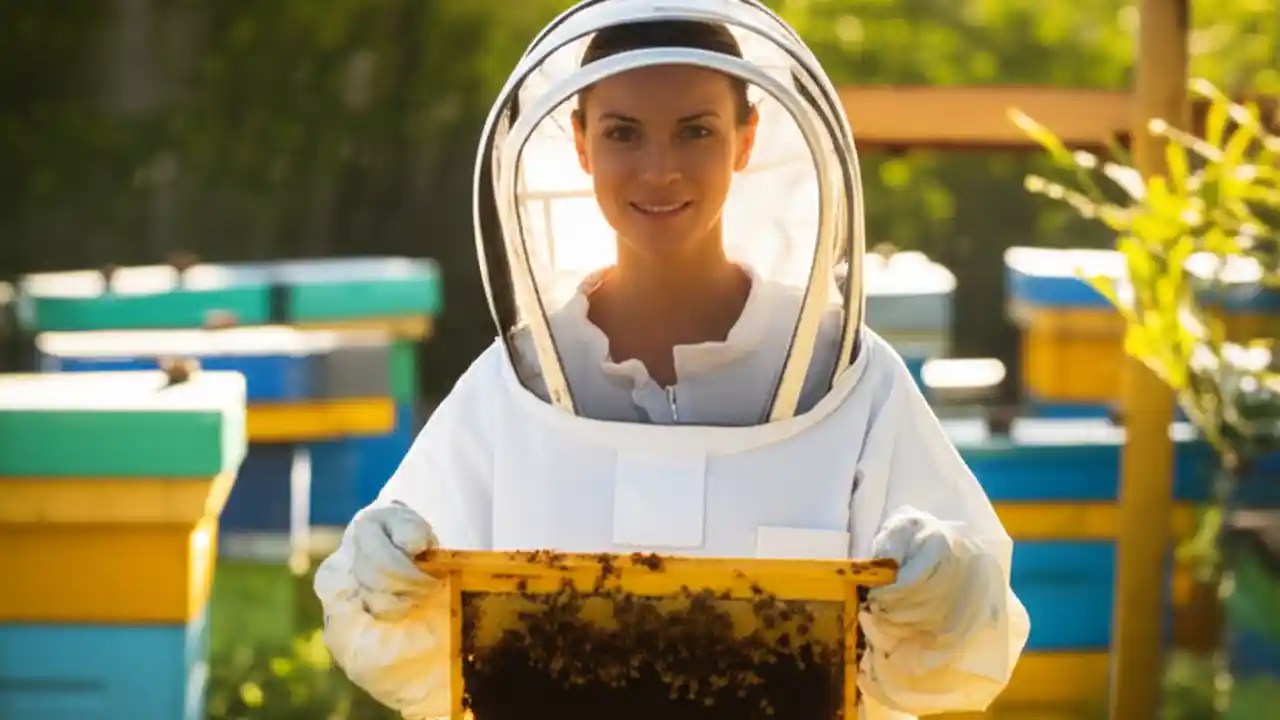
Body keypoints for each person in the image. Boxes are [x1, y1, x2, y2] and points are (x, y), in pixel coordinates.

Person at [315, 2, 1030, 719]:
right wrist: (383, 582)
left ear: (745, 141)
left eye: (696, 131)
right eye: (623, 133)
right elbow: (409, 656)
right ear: (580, 143)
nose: (660, 170)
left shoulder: (850, 381)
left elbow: (970, 651)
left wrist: (946, 589)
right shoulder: (514, 385)